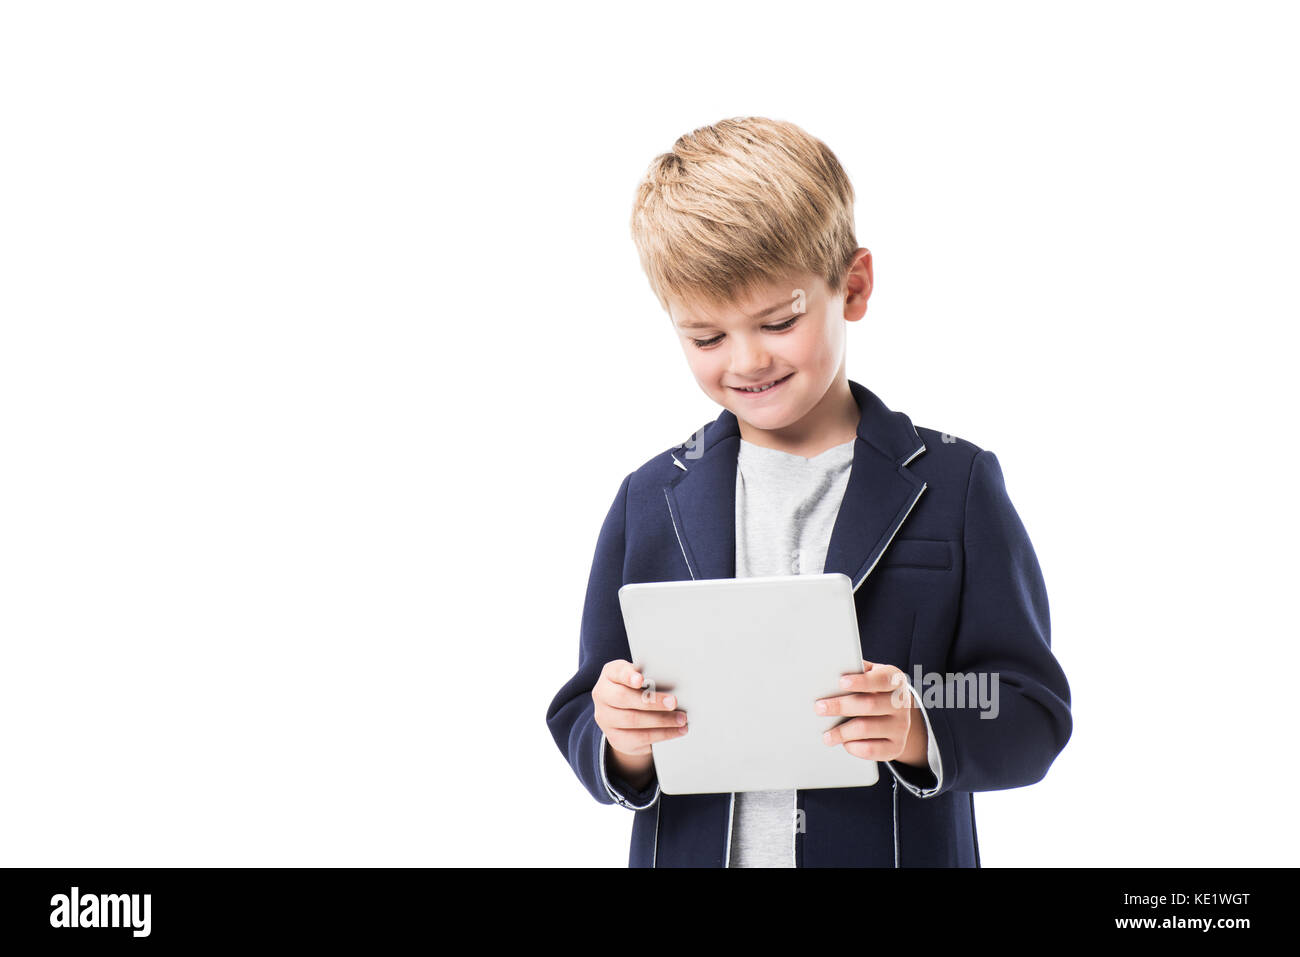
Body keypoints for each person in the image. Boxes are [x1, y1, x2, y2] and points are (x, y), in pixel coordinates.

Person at [544, 116, 1072, 867]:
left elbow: (1027, 707)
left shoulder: (956, 484)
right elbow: (582, 711)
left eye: (780, 320)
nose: (748, 360)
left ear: (852, 287)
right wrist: (619, 738)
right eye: (706, 337)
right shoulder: (648, 497)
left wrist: (920, 719)